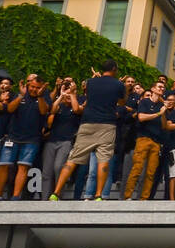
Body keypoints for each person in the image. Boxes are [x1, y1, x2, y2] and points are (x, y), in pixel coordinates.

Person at [49, 61, 121, 201]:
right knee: (103, 160)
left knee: (72, 159)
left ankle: (55, 193)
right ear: (114, 69)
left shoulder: (90, 83)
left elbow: (87, 100)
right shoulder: (118, 84)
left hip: (87, 123)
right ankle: (99, 195)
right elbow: (122, 102)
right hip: (107, 125)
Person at [1, 75, 49, 199]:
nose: (34, 89)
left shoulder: (44, 97)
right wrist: (21, 96)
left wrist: (40, 96)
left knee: (23, 167)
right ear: (27, 86)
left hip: (31, 140)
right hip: (13, 137)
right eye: (32, 86)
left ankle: (16, 196)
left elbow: (44, 111)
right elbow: (10, 109)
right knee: (3, 165)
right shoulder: (19, 95)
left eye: (37, 87)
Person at [124, 82, 167, 200]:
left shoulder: (161, 105)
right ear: (153, 89)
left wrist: (163, 113)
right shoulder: (145, 102)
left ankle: (144, 198)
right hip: (143, 138)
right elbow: (141, 117)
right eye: (159, 87)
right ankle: (128, 196)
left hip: (156, 142)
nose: (162, 89)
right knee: (137, 168)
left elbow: (164, 126)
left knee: (151, 172)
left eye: (163, 87)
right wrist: (158, 113)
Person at [41, 79, 81, 199]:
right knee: (46, 172)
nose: (67, 96)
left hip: (66, 141)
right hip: (51, 141)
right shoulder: (59, 106)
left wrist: (72, 95)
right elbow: (52, 110)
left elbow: (76, 109)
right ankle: (45, 198)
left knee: (58, 167)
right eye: (66, 94)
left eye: (70, 94)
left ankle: (58, 195)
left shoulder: (76, 106)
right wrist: (61, 96)